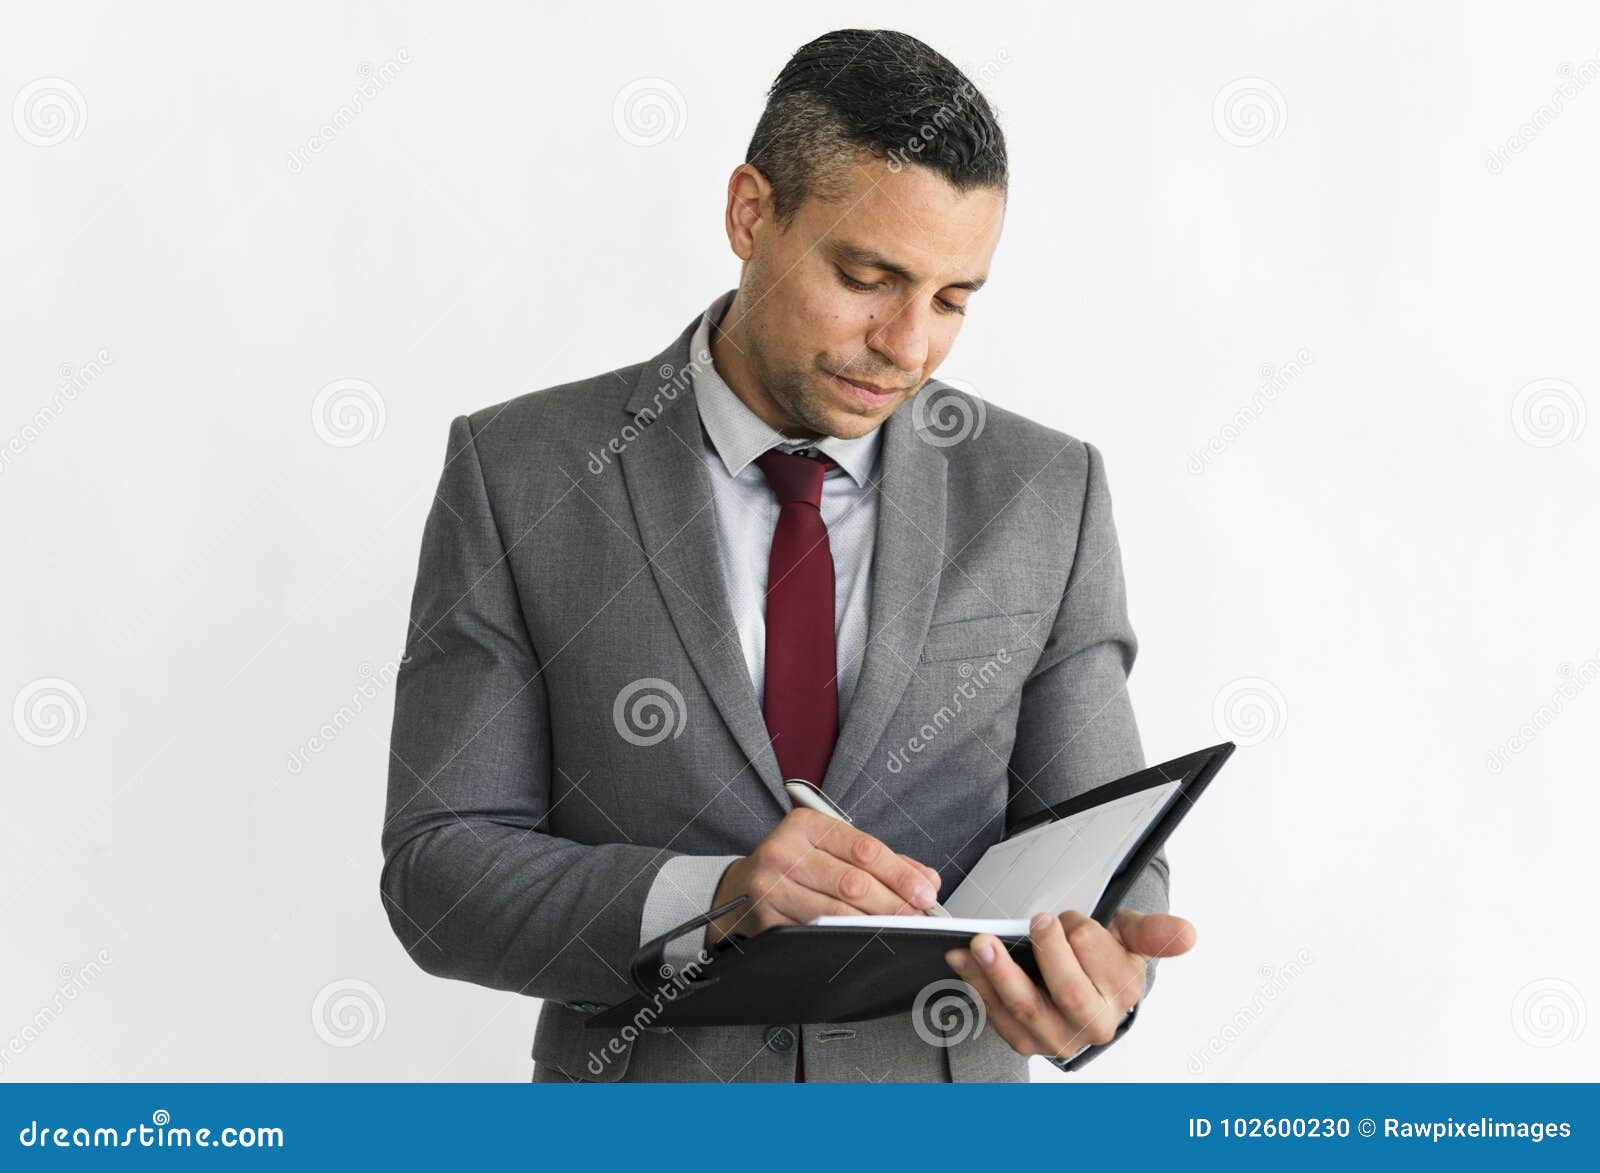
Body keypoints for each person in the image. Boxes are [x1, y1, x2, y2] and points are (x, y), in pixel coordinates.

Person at [380, 27, 1195, 1083]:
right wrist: (715, 899)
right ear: (750, 213)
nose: (907, 344)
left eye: (952, 299)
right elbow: (438, 873)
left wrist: (1105, 971)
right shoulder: (520, 473)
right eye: (866, 276)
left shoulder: (1045, 492)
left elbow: (1102, 840)